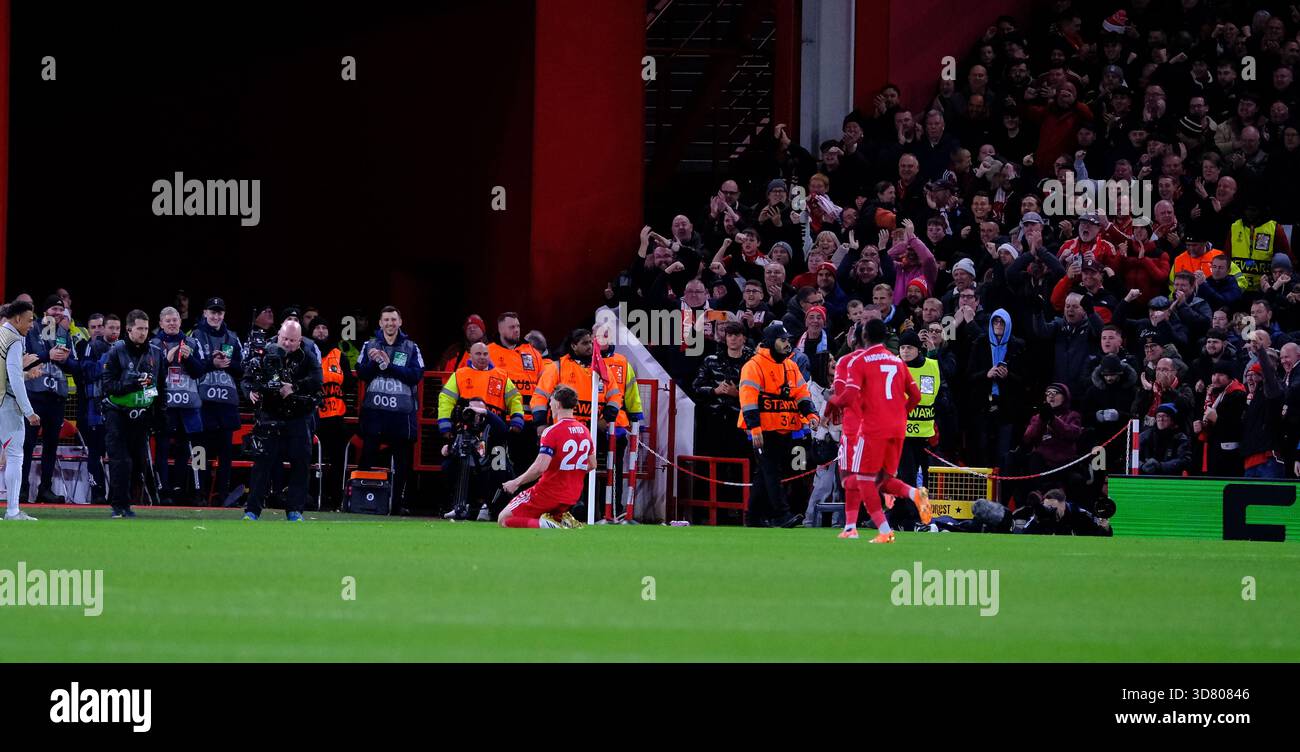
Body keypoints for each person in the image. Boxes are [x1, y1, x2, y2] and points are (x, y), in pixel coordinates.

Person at [825, 319, 930, 542]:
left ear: (863, 336)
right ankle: (913, 493)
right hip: (899, 428)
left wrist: (831, 400)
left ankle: (883, 531)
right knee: (880, 479)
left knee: (862, 479)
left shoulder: (857, 361)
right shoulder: (897, 362)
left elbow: (849, 396)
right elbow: (917, 396)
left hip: (871, 427)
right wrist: (900, 413)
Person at [737, 322, 818, 528]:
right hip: (761, 430)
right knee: (771, 471)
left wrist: (811, 415)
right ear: (772, 342)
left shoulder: (790, 365)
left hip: (783, 427)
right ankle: (781, 514)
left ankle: (753, 517)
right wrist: (754, 428)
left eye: (788, 340)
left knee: (765, 472)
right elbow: (748, 399)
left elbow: (802, 394)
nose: (787, 344)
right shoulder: (753, 366)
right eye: (783, 340)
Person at [241, 321, 322, 521]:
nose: (287, 343)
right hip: (270, 414)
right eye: (284, 338)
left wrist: (293, 387)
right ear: (278, 334)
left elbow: (317, 380)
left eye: (292, 340)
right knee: (262, 464)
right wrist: (250, 391)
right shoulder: (263, 352)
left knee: (301, 463)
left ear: (300, 340)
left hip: (298, 416)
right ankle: (252, 511)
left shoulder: (308, 356)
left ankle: (295, 510)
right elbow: (246, 378)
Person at [437, 341, 523, 520]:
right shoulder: (460, 375)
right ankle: (461, 504)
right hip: (467, 431)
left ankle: (489, 505)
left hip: (494, 431)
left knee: (498, 467)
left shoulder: (501, 376)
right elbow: (446, 399)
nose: (482, 357)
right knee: (454, 466)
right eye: (478, 354)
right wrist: (445, 424)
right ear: (470, 355)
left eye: (485, 354)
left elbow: (515, 398)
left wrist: (517, 418)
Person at [355, 306, 425, 515]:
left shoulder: (411, 347)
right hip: (375, 414)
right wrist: (376, 363)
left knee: (403, 463)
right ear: (380, 323)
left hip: (401, 416)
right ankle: (362, 503)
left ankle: (396, 506)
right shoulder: (370, 345)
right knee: (367, 457)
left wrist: (389, 365)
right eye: (386, 320)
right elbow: (361, 373)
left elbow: (416, 375)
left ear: (400, 322)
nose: (390, 324)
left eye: (393, 320)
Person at [102, 310, 167, 518]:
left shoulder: (156, 353)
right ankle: (118, 506)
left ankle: (127, 504)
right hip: (118, 413)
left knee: (138, 463)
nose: (143, 333)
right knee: (121, 461)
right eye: (139, 328)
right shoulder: (116, 352)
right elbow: (108, 385)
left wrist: (159, 415)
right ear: (129, 329)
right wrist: (131, 384)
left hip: (142, 415)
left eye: (146, 329)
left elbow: (161, 387)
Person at [499, 385, 591, 530]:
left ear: (558, 404)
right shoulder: (585, 431)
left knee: (505, 519)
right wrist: (569, 474)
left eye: (551, 401)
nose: (549, 404)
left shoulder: (552, 432)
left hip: (547, 493)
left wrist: (516, 482)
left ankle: (549, 524)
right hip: (571, 494)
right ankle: (560, 519)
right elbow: (592, 464)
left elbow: (540, 468)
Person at [22, 294, 81, 504]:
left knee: (51, 445)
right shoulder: (33, 329)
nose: (57, 313)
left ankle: (44, 489)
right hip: (35, 394)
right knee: (27, 443)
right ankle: (21, 489)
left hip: (57, 397)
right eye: (53, 309)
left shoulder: (64, 334)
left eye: (61, 310)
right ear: (45, 311)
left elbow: (75, 366)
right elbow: (28, 359)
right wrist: (49, 356)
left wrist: (64, 360)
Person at [191, 298, 244, 506]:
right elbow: (191, 366)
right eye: (212, 312)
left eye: (219, 312)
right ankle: (199, 493)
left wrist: (228, 364)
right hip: (202, 404)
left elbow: (242, 369)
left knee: (225, 453)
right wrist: (211, 363)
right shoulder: (195, 335)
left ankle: (223, 495)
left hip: (226, 404)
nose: (216, 316)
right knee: (200, 451)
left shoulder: (232, 337)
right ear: (205, 313)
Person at [151, 306, 207, 504]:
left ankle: (189, 490)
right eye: (168, 320)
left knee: (194, 449)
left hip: (190, 407)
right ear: (160, 324)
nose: (172, 323)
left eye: (175, 319)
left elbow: (201, 371)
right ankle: (163, 490)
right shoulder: (154, 344)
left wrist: (189, 357)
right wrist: (165, 361)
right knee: (163, 449)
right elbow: (149, 373)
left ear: (180, 322)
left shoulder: (193, 342)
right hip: (165, 406)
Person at [487, 312, 547, 471]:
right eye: (512, 327)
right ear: (500, 329)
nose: (516, 330)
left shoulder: (533, 353)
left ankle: (524, 496)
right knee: (496, 468)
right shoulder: (487, 353)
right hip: (498, 421)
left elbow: (543, 386)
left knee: (526, 468)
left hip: (527, 423)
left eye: (518, 326)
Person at [1, 301, 41, 520]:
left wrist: (25, 375)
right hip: (6, 406)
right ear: (17, 319)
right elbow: (14, 379)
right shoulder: (15, 340)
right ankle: (13, 511)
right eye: (30, 319)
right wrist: (29, 411)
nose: (32, 325)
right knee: (16, 456)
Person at [311, 317, 354, 511]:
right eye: (317, 328)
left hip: (336, 417)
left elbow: (349, 384)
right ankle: (311, 499)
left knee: (337, 463)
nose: (321, 331)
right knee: (311, 461)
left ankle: (335, 500)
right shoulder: (307, 353)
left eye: (324, 327)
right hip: (313, 418)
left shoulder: (339, 355)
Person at [1138, 403, 1192, 476]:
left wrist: (1160, 466)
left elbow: (1184, 460)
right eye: (1158, 416)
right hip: (1146, 477)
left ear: (1172, 420)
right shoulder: (1145, 436)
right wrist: (1142, 466)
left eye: (1165, 416)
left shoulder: (1180, 438)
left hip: (1171, 479)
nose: (1161, 419)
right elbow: (1132, 457)